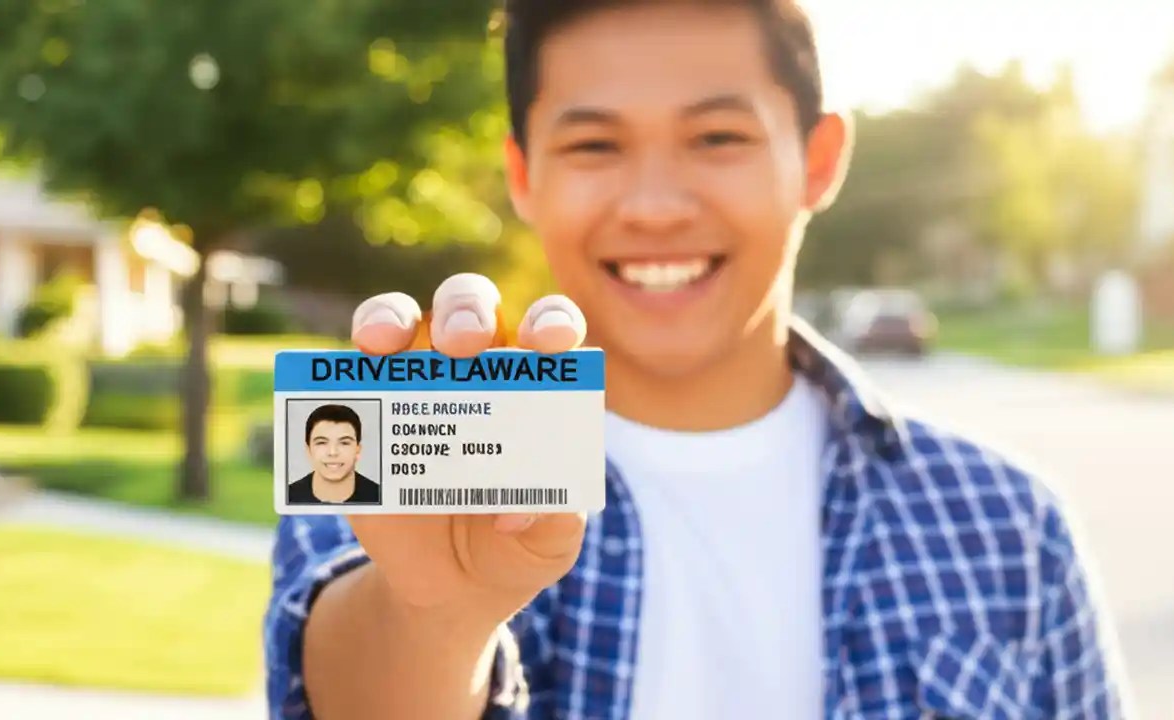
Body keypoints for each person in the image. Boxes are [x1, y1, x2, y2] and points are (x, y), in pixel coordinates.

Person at [265, 0, 1129, 717]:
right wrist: (436, 620)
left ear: (817, 161)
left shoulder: (1009, 527)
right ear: (524, 176)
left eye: (717, 138)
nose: (655, 207)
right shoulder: (405, 455)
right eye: (595, 146)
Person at [287, 404, 380, 506]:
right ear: (308, 450)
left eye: (344, 443)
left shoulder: (381, 495)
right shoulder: (288, 496)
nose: (333, 452)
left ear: (358, 450)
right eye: (321, 442)